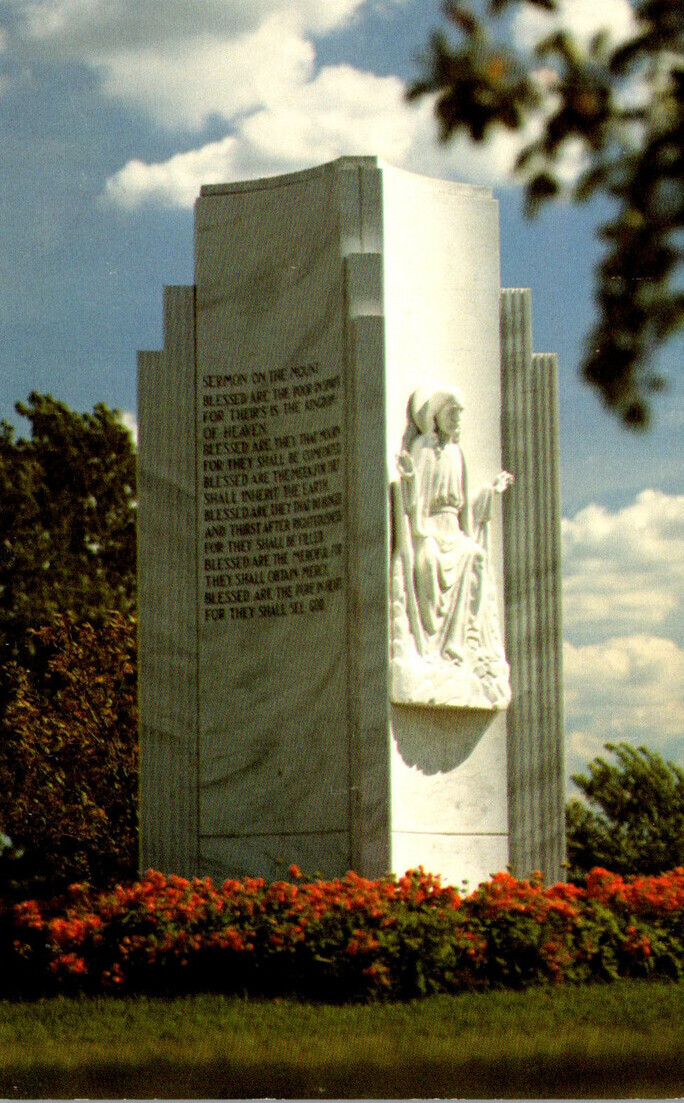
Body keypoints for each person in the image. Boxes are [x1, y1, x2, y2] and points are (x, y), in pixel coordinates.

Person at [395, 387, 512, 706]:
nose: (455, 419)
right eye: (451, 413)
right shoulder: (422, 447)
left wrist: (491, 492)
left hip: (453, 531)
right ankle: (430, 648)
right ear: (435, 417)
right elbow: (415, 497)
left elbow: (464, 504)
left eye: (458, 415)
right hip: (429, 530)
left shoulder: (458, 454)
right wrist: (408, 479)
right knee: (428, 562)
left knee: (474, 555)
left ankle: (456, 648)